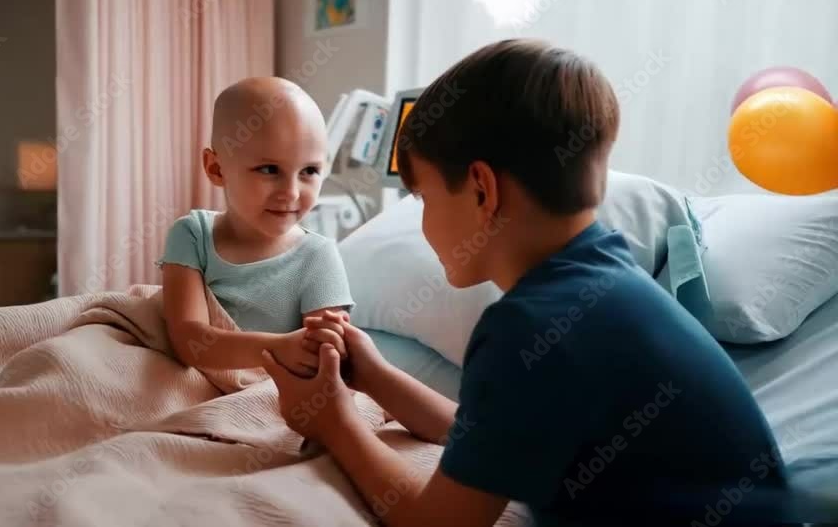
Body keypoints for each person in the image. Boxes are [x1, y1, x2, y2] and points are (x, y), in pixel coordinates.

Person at [262, 39, 790, 526]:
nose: (421, 221)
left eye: (423, 198)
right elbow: (489, 436)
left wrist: (332, 422)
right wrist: (375, 377)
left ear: (481, 189)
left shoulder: (532, 325)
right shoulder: (604, 281)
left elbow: (438, 522)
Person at [159, 76, 353, 378]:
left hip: (270, 390)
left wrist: (330, 342)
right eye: (269, 169)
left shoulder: (319, 256)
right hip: (188, 380)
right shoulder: (192, 234)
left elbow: (322, 361)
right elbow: (189, 343)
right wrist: (277, 348)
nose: (291, 192)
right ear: (216, 168)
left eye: (309, 171)